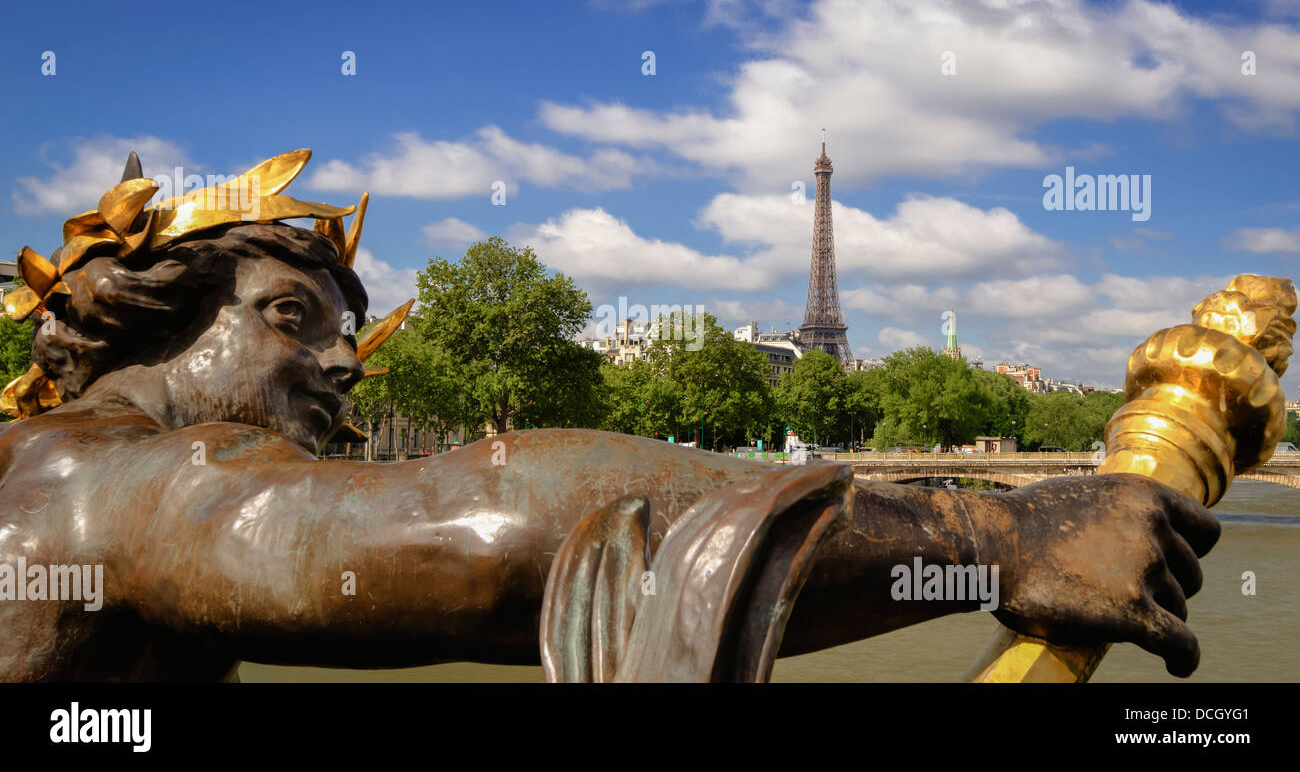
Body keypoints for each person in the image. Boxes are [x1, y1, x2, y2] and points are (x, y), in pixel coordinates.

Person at [0, 154, 1218, 681]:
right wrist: (991, 537)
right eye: (290, 318)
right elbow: (474, 528)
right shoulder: (91, 480)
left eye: (343, 329)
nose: (344, 364)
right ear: (149, 320)